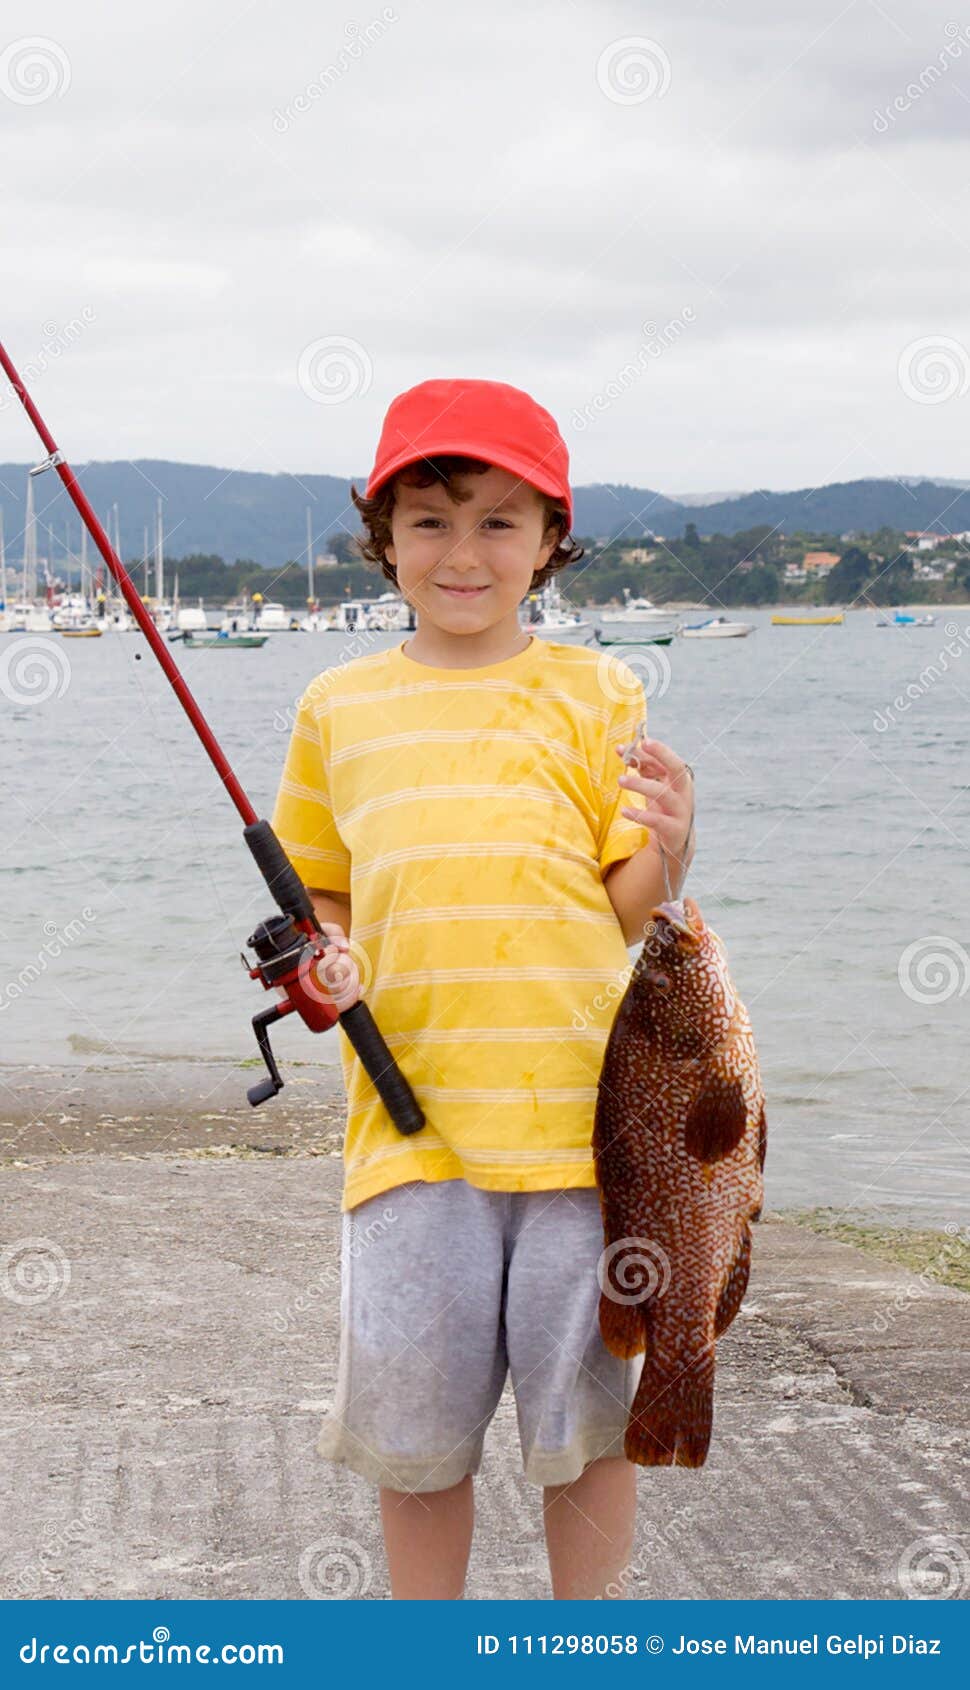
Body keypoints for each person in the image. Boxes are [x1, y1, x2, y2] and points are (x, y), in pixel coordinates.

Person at [270, 377, 695, 1600]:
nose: (464, 553)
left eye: (499, 521)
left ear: (551, 540)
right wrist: (326, 948)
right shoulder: (335, 707)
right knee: (414, 1450)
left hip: (584, 1135)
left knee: (589, 1436)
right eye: (431, 520)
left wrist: (673, 838)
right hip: (409, 1142)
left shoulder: (597, 693)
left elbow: (629, 907)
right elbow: (321, 891)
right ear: (383, 537)